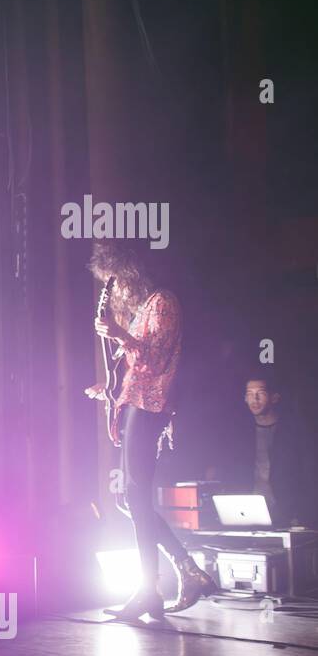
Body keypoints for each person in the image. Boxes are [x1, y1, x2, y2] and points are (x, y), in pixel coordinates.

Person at [87, 243, 217, 619]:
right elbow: (135, 365)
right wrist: (109, 388)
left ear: (128, 273)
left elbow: (156, 358)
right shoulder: (144, 308)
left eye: (113, 280)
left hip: (151, 406)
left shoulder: (162, 302)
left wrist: (118, 334)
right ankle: (180, 572)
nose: (112, 290)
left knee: (135, 494)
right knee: (130, 498)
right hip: (137, 403)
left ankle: (156, 586)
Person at [226, 373, 315, 527]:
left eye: (260, 393)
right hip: (251, 515)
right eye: (250, 394)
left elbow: (309, 474)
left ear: (274, 397)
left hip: (291, 515)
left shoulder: (295, 430)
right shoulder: (240, 434)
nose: (255, 399)